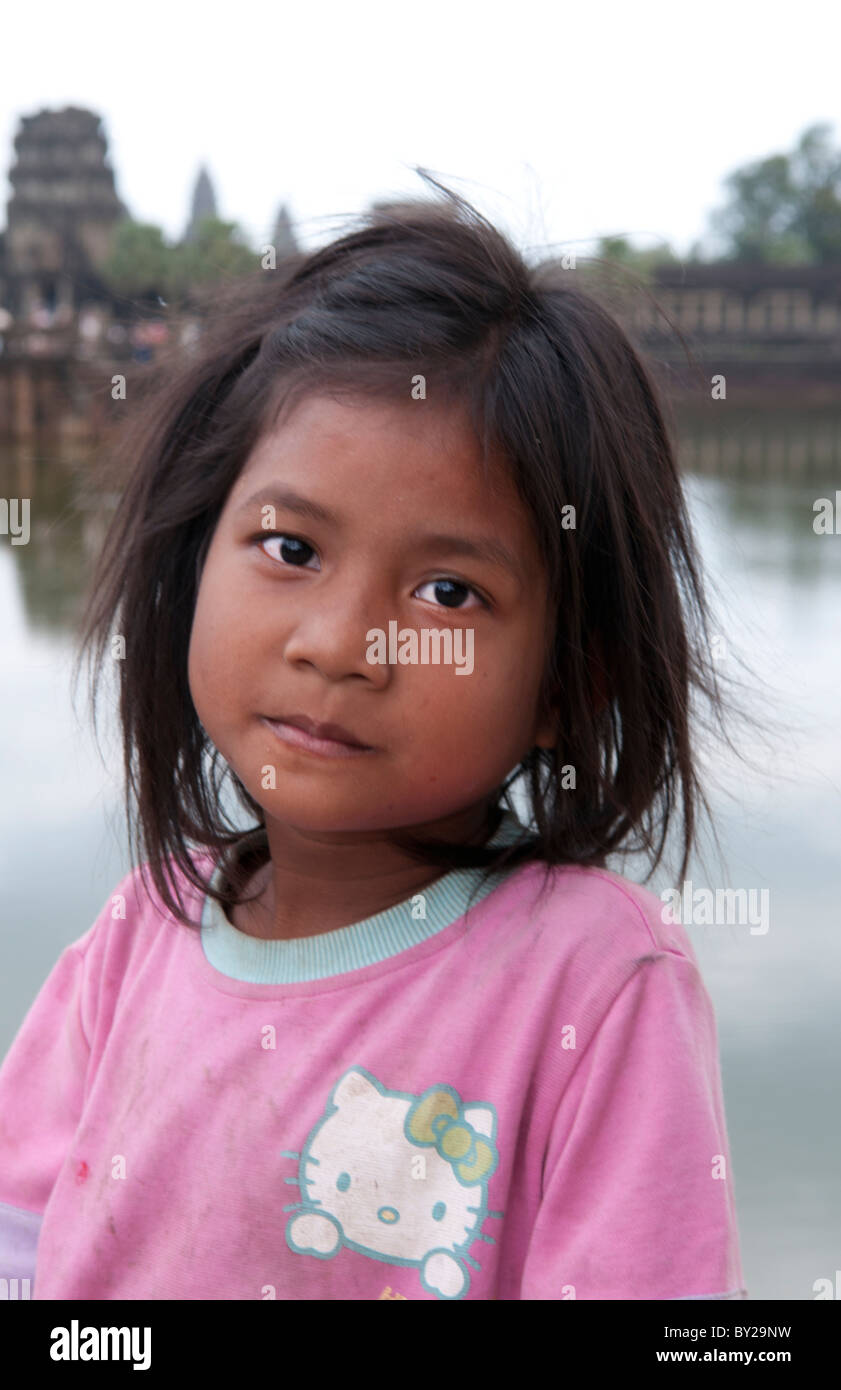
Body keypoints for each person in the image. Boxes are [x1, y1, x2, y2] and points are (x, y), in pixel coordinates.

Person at [0, 179, 748, 1301]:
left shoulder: (593, 984)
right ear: (191, 554)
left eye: (447, 590)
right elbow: (20, 1236)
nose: (341, 645)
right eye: (290, 548)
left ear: (569, 681)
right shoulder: (137, 934)